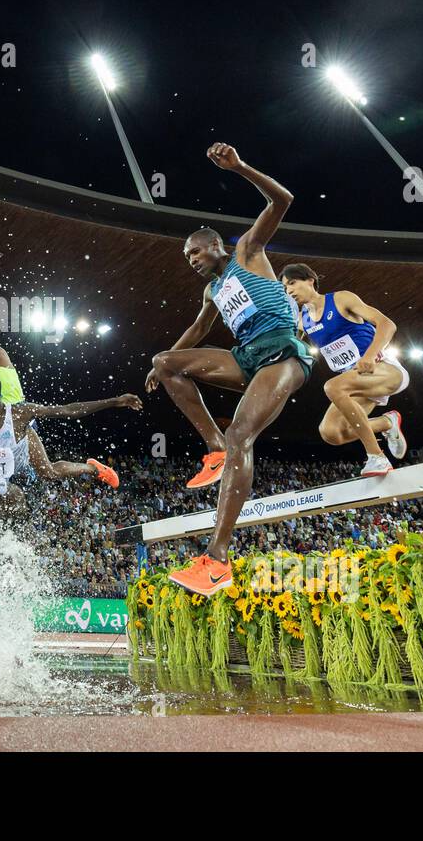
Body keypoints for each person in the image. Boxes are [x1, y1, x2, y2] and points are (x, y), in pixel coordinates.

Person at [145, 143, 312, 596]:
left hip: (283, 352)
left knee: (244, 435)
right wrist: (162, 369)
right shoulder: (211, 293)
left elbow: (283, 201)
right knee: (166, 361)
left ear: (216, 246)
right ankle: (214, 448)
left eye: (196, 253)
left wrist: (239, 167)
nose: (192, 261)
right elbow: (197, 332)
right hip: (246, 356)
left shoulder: (248, 252)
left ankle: (217, 559)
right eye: (187, 260)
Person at [0, 335, 140, 526]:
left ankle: (92, 468)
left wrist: (115, 401)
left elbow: (68, 410)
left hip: (17, 424)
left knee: (49, 472)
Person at [279, 263, 408, 475]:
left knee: (332, 387)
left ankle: (377, 457)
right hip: (356, 384)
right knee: (331, 433)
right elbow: (290, 346)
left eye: (292, 283)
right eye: (285, 288)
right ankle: (387, 423)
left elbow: (387, 324)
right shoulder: (303, 320)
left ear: (310, 280)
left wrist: (369, 356)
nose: (289, 290)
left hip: (383, 369)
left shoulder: (340, 299)